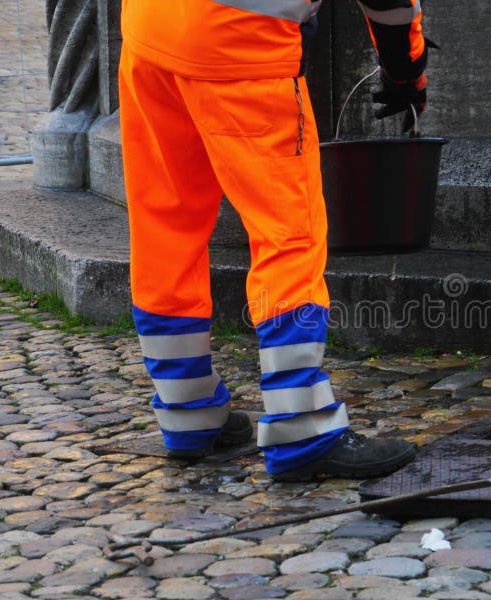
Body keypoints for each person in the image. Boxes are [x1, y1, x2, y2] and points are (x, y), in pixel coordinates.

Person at [118, 0, 429, 481]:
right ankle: (302, 430)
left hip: (148, 32)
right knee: (289, 234)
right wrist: (405, 69)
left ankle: (187, 411)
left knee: (166, 222)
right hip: (242, 44)